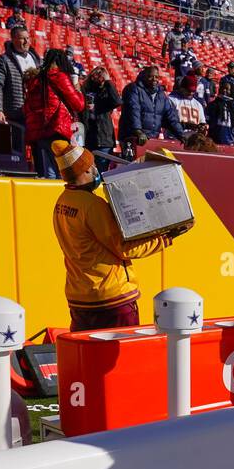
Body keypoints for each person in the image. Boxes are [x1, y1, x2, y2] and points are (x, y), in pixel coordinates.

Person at [50, 138, 170, 331]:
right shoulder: (92, 205)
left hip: (79, 297)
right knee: (122, 359)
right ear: (86, 170)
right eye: (94, 166)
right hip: (111, 298)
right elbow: (124, 248)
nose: (97, 170)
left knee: (87, 359)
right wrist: (163, 239)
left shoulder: (61, 202)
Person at [23, 48, 85, 179]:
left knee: (46, 172)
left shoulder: (34, 79)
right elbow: (78, 105)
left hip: (37, 132)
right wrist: (77, 88)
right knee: (60, 173)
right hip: (55, 127)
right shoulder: (58, 76)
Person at [119, 65, 183, 157]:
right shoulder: (134, 89)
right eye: (150, 76)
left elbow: (170, 116)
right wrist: (138, 131)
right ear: (143, 76)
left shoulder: (161, 95)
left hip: (151, 140)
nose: (154, 79)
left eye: (156, 77)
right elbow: (133, 110)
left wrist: (181, 135)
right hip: (132, 138)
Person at [0, 24, 40, 127]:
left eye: (27, 38)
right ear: (13, 39)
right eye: (22, 38)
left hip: (35, 112)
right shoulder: (4, 60)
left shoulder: (35, 58)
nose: (26, 42)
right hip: (15, 112)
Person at [80, 66, 121, 158]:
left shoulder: (107, 92)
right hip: (87, 137)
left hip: (103, 138)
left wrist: (108, 81)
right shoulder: (84, 91)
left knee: (102, 170)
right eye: (96, 74)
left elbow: (117, 102)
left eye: (101, 75)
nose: (98, 77)